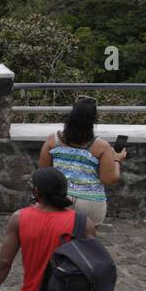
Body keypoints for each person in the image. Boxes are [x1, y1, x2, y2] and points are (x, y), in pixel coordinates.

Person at [37, 96, 126, 227]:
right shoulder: (102, 146)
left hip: (58, 199)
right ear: (94, 119)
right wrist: (117, 160)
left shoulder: (52, 140)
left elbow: (43, 173)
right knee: (84, 244)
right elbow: (109, 179)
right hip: (90, 203)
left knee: (57, 240)